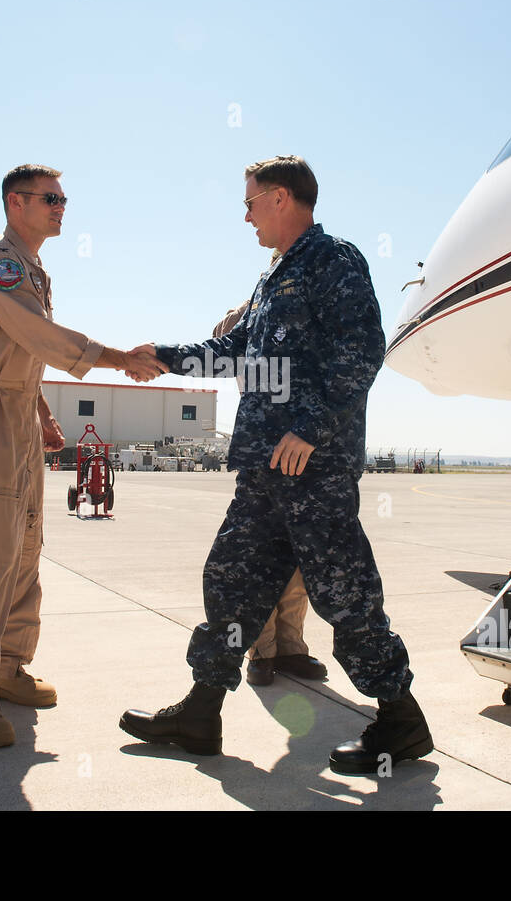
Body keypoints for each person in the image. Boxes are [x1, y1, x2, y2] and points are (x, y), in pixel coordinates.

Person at [119, 156, 432, 776]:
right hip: (263, 466)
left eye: (251, 201)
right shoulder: (272, 279)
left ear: (282, 198)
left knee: (343, 590)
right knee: (230, 581)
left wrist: (311, 430)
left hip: (313, 467)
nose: (246, 213)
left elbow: (362, 352)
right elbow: (236, 353)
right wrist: (165, 356)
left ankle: (401, 719)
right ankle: (201, 712)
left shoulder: (333, 261)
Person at [0, 163, 167, 748]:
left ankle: (8, 667)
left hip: (15, 410)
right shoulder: (1, 261)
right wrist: (120, 358)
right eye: (51, 198)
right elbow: (39, 335)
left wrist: (40, 413)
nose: (62, 207)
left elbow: (22, 347)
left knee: (25, 543)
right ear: (16, 202)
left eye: (64, 199)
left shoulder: (33, 266)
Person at [210, 300, 329, 688]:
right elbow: (221, 338)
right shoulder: (254, 306)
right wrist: (256, 304)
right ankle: (261, 651)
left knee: (296, 559)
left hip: (302, 453)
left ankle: (291, 646)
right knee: (259, 559)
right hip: (263, 451)